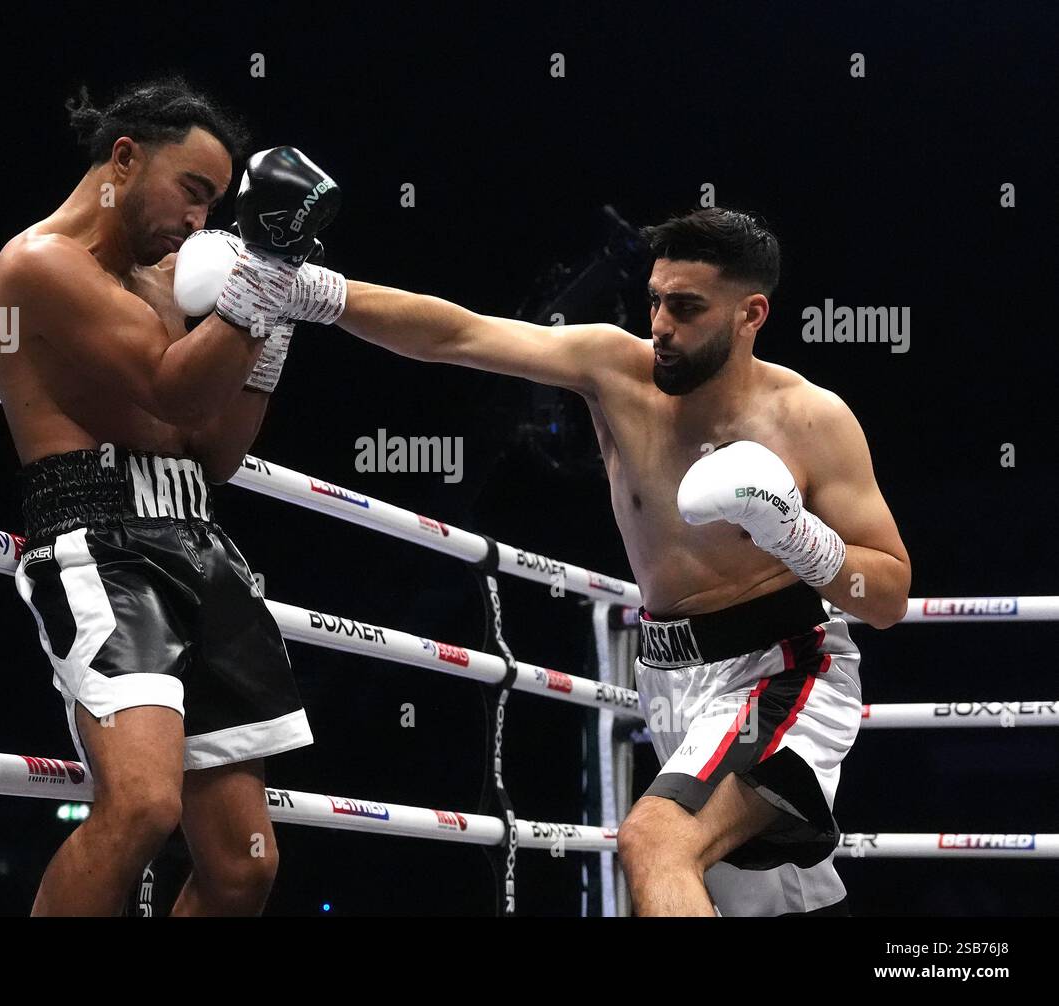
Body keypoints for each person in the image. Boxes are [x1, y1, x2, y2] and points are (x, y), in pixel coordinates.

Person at [241, 206, 910, 916]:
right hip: (668, 678)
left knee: (656, 840)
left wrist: (796, 536)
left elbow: (888, 595)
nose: (659, 326)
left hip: (782, 671)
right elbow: (458, 334)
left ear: (751, 314)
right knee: (753, 902)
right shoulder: (613, 367)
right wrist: (308, 291)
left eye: (686, 309)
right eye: (655, 301)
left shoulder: (811, 419)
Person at [0, 77, 340, 916]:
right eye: (193, 191)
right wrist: (265, 278)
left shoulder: (165, 284)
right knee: (142, 806)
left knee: (244, 868)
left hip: (203, 546)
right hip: (101, 541)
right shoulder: (40, 264)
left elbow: (212, 452)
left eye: (217, 205)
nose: (199, 223)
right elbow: (172, 391)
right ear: (124, 158)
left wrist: (270, 324)